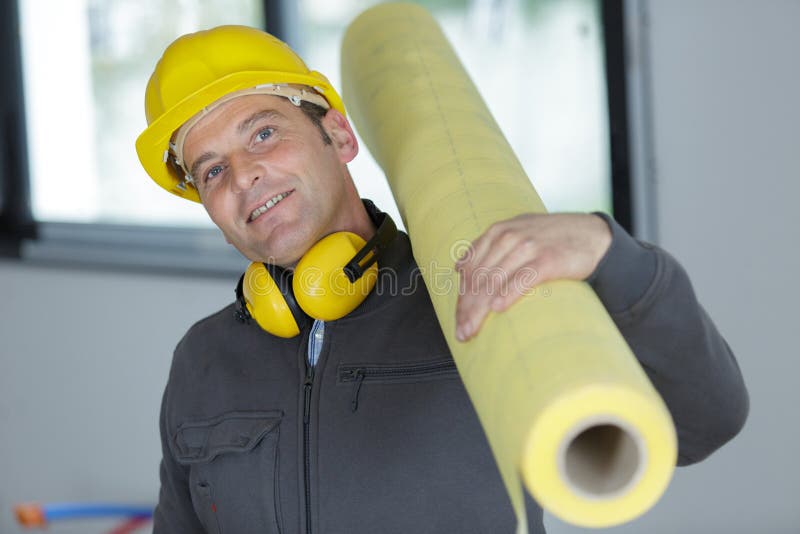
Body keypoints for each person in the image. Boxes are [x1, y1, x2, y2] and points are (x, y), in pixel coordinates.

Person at [136, 25, 749, 534]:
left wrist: (612, 255)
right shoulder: (204, 360)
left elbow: (706, 420)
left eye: (263, 133)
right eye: (211, 170)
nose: (244, 176)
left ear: (339, 136)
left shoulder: (482, 288)